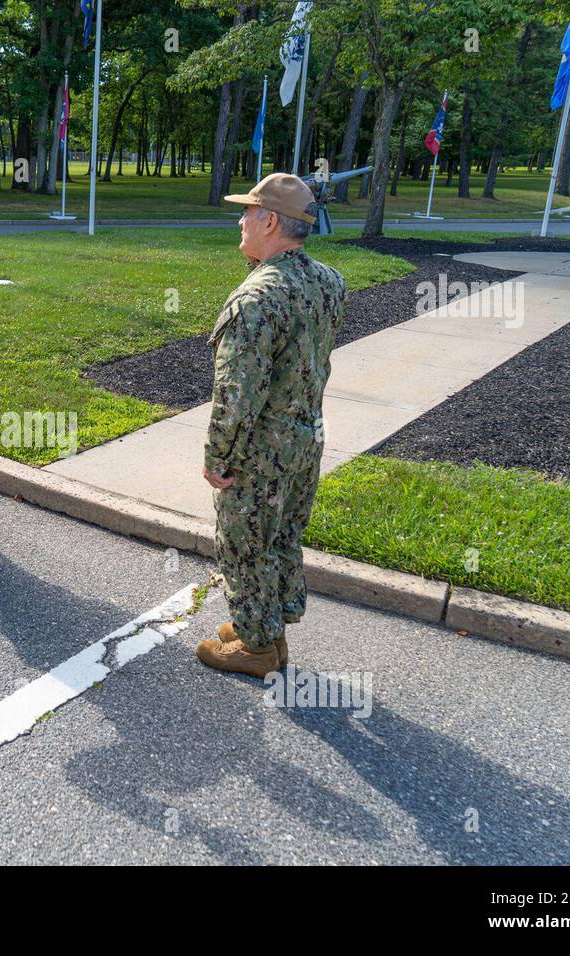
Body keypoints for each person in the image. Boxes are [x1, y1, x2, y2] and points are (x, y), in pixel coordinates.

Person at [195, 173, 347, 677]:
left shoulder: (257, 298)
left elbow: (236, 397)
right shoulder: (328, 282)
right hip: (305, 440)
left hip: (260, 450)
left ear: (271, 221)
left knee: (243, 542)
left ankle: (257, 648)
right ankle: (267, 627)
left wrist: (218, 459)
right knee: (281, 535)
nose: (241, 220)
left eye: (248, 212)